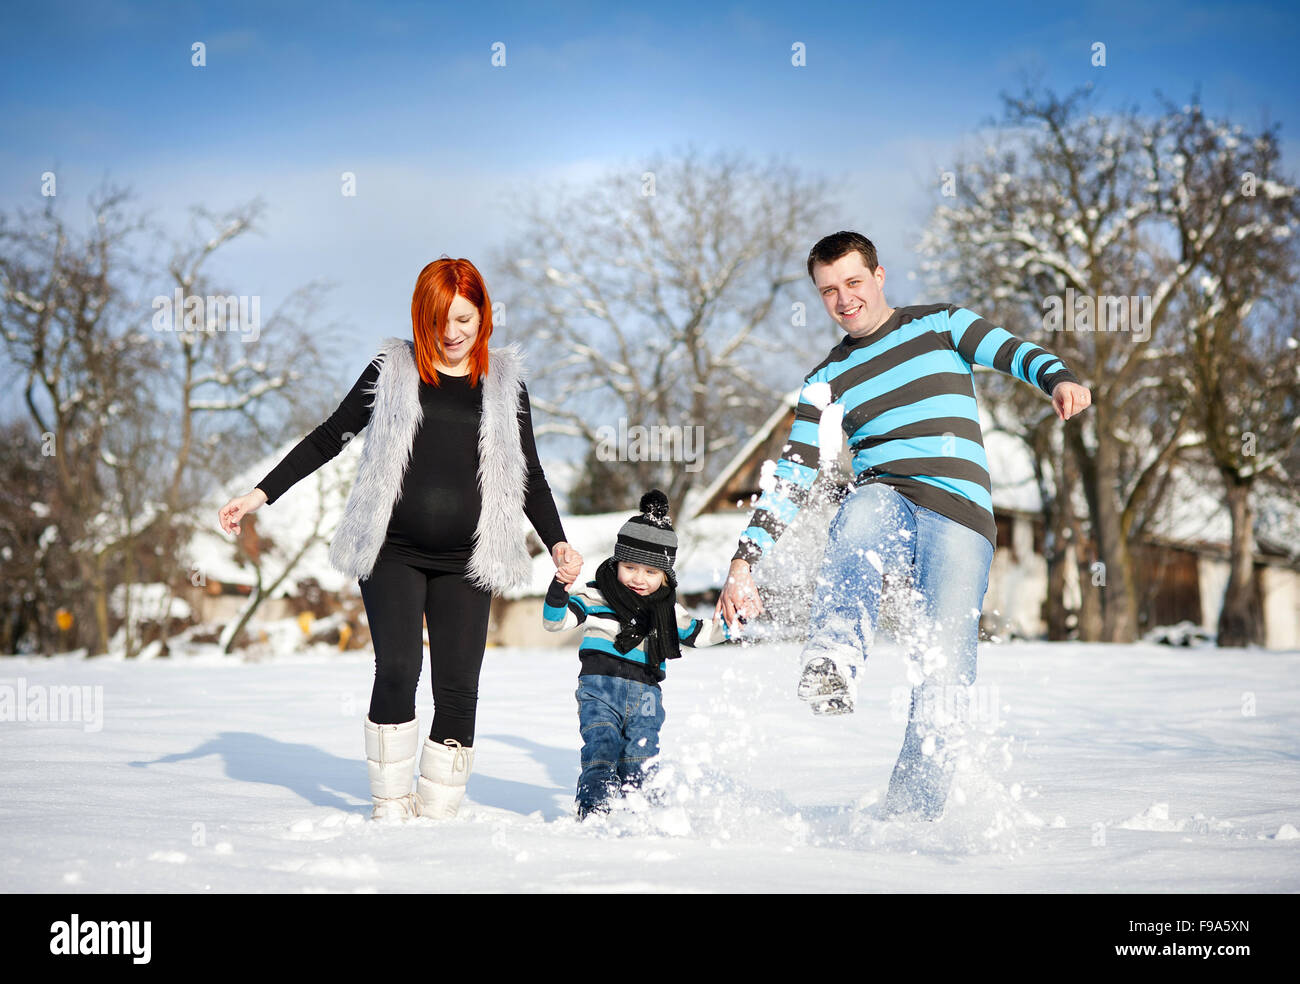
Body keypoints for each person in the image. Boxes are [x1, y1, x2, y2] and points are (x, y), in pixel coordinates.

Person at [715, 231, 1091, 821]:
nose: (844, 299)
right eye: (828, 291)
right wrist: (745, 559)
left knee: (946, 662)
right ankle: (835, 655)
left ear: (879, 275)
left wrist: (1057, 378)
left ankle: (911, 818)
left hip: (958, 514)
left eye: (853, 282)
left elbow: (1012, 351)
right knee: (861, 507)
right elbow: (794, 473)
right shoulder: (826, 377)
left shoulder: (941, 324)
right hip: (886, 500)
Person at [217, 257, 583, 822]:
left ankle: (438, 814)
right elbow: (329, 437)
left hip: (468, 559)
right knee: (397, 668)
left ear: (483, 316)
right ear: (421, 318)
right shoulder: (393, 372)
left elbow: (528, 473)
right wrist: (259, 495)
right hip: (392, 551)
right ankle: (390, 805)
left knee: (458, 685)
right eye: (439, 320)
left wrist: (557, 541)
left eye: (464, 319)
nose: (452, 332)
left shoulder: (505, 386)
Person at [542, 490, 731, 820]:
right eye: (630, 567)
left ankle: (643, 817)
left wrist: (732, 621)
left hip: (646, 694)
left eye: (650, 572)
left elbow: (699, 634)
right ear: (617, 562)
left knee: (640, 758)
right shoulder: (596, 594)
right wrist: (559, 588)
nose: (638, 579)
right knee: (601, 749)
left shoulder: (666, 609)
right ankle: (593, 811)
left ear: (665, 576)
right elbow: (554, 622)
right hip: (599, 689)